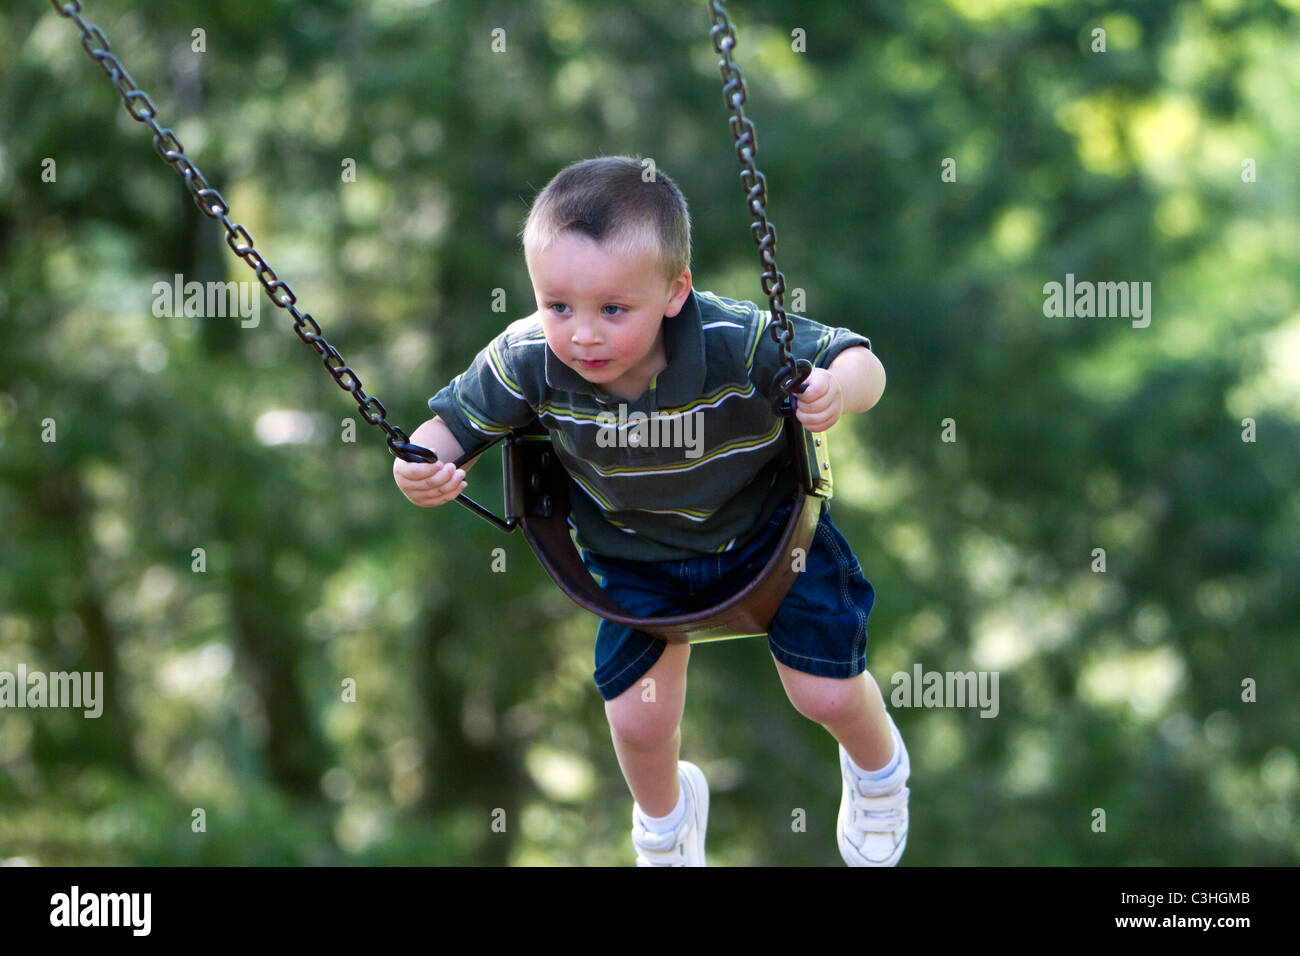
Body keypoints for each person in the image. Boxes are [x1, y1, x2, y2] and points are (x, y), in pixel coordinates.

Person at [394, 156, 908, 866]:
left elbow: (861, 362)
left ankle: (880, 776)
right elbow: (448, 428)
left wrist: (834, 390)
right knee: (637, 719)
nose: (582, 334)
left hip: (770, 536)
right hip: (633, 556)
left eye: (613, 309)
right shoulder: (526, 358)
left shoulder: (736, 340)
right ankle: (666, 826)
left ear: (675, 292)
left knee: (824, 692)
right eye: (557, 305)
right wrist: (420, 464)